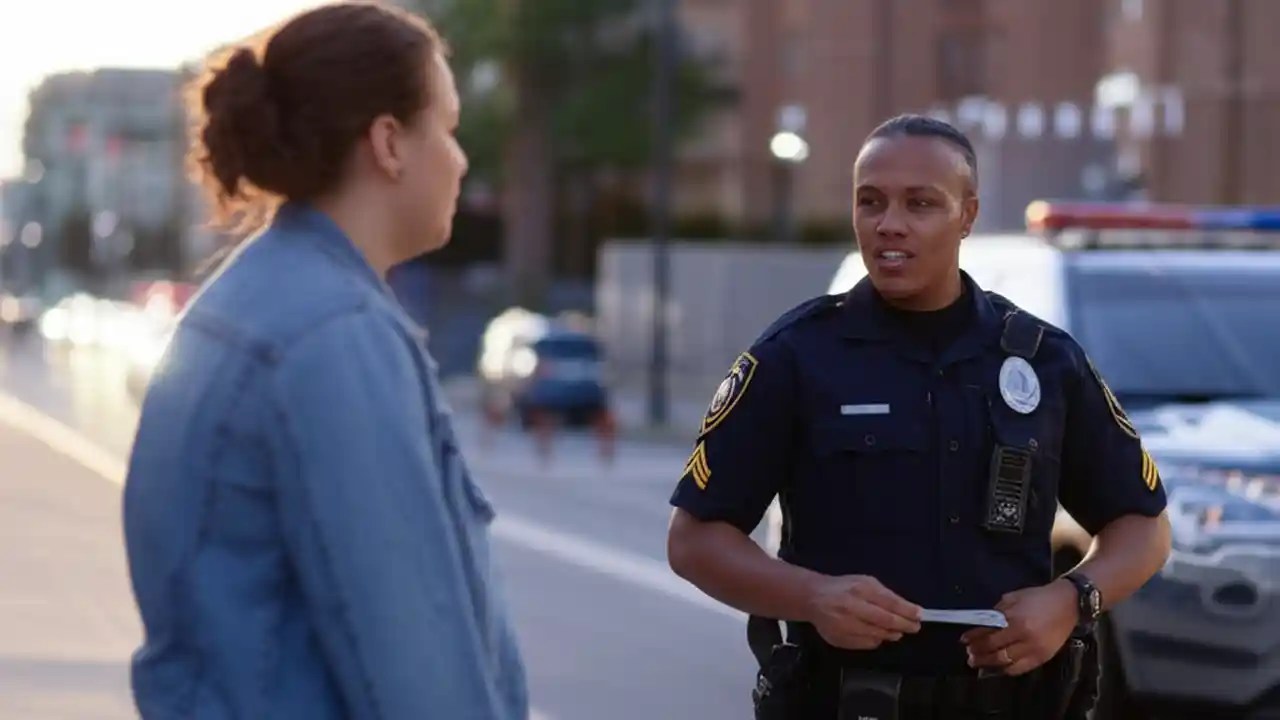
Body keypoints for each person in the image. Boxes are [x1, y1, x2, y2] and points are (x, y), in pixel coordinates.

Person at [665, 114, 1172, 719]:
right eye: (870, 202)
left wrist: (1071, 600)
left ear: (968, 215)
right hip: (847, 700)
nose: (889, 225)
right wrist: (813, 596)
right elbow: (694, 540)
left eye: (920, 203)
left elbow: (1144, 530)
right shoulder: (796, 357)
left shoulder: (1043, 362)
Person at [121, 4, 527, 718]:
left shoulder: (251, 300)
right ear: (390, 143)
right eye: (450, 129)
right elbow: (414, 655)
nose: (462, 161)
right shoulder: (334, 335)